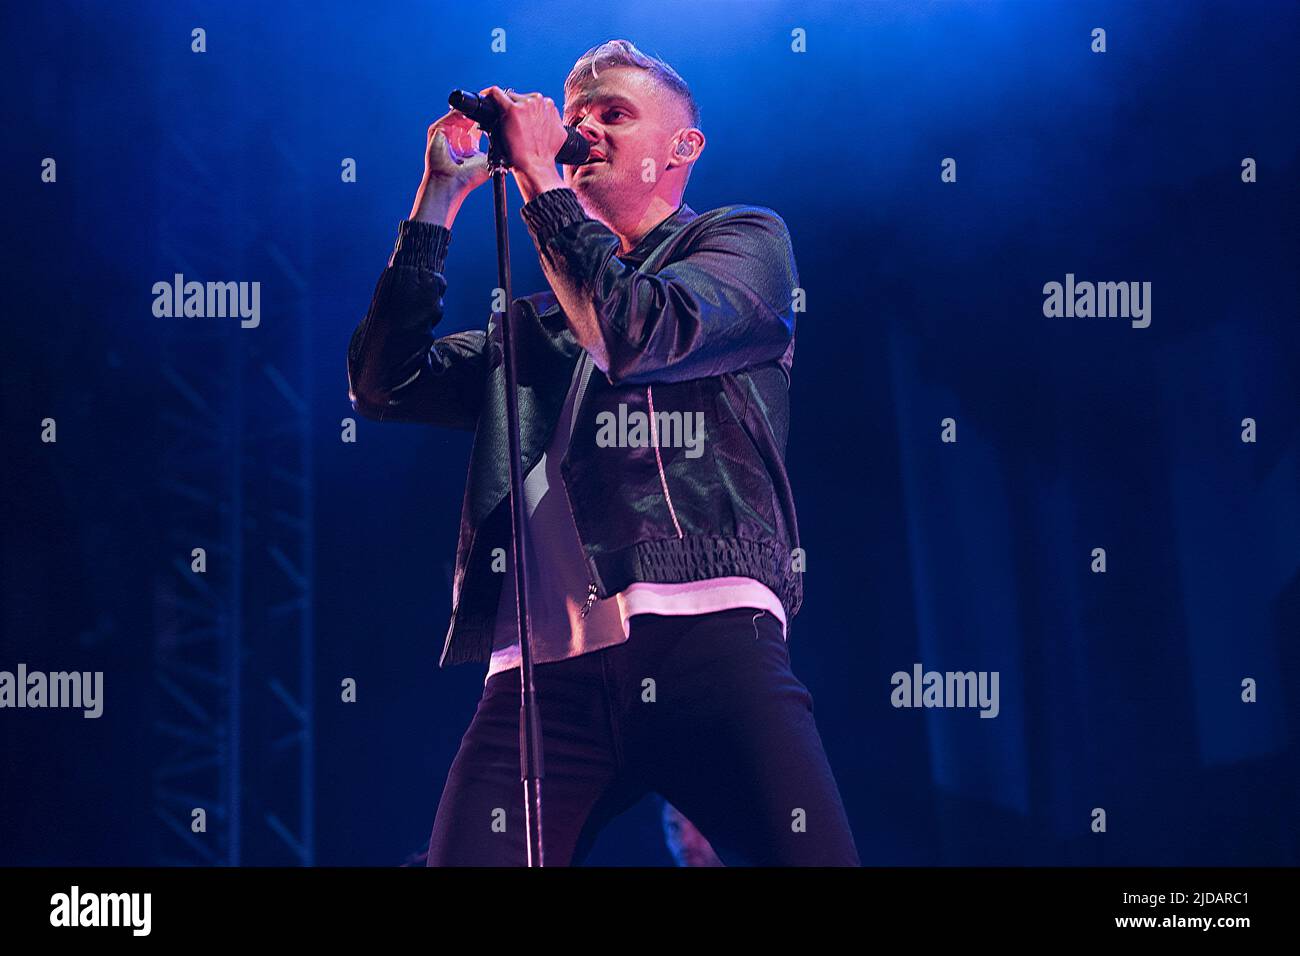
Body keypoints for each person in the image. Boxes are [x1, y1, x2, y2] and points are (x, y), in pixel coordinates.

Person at [347, 38, 859, 866]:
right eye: (574, 118)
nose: (585, 132)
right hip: (543, 670)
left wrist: (542, 182)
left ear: (681, 149)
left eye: (614, 115)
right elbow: (381, 384)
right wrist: (438, 201)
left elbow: (636, 332)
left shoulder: (745, 245)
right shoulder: (533, 328)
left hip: (704, 636)